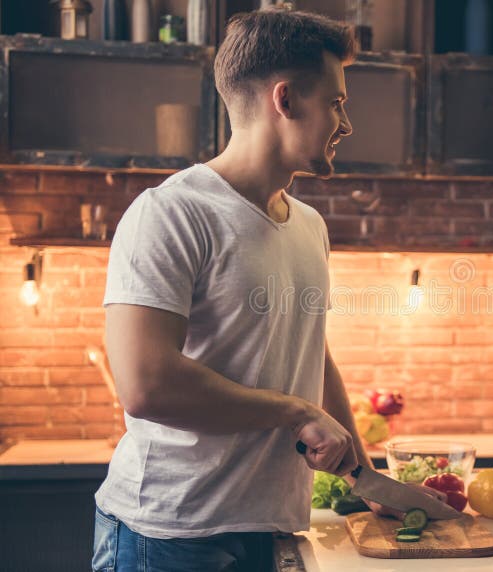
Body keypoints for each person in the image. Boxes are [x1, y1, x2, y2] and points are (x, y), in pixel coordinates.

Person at [92, 9, 370, 570]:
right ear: (285, 100)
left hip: (265, 526)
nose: (346, 123)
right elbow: (147, 386)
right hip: (167, 532)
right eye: (336, 102)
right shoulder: (171, 213)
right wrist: (294, 412)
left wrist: (367, 481)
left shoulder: (309, 225)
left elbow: (313, 351)